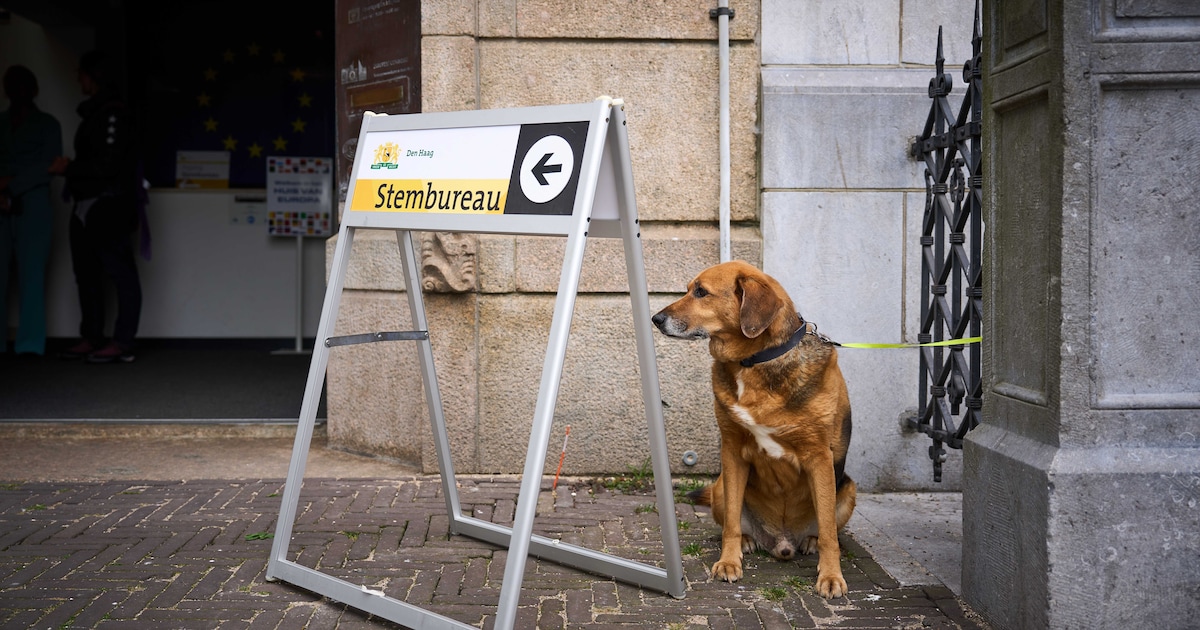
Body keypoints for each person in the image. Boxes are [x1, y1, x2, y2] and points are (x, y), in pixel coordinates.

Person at [50, 51, 142, 363]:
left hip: (108, 204)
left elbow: (109, 164)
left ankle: (123, 340)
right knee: (86, 274)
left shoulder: (114, 113)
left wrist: (69, 168)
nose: (79, 80)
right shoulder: (95, 112)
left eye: (82, 74)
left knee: (120, 273)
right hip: (84, 205)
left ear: (95, 76)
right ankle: (91, 336)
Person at [0, 65, 63, 357]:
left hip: (33, 206)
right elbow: (43, 166)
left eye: (23, 85)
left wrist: (10, 183)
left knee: (32, 277)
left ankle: (29, 346)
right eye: (12, 85)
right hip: (2, 205)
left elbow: (51, 167)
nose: (17, 91)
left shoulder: (48, 124)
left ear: (34, 90)